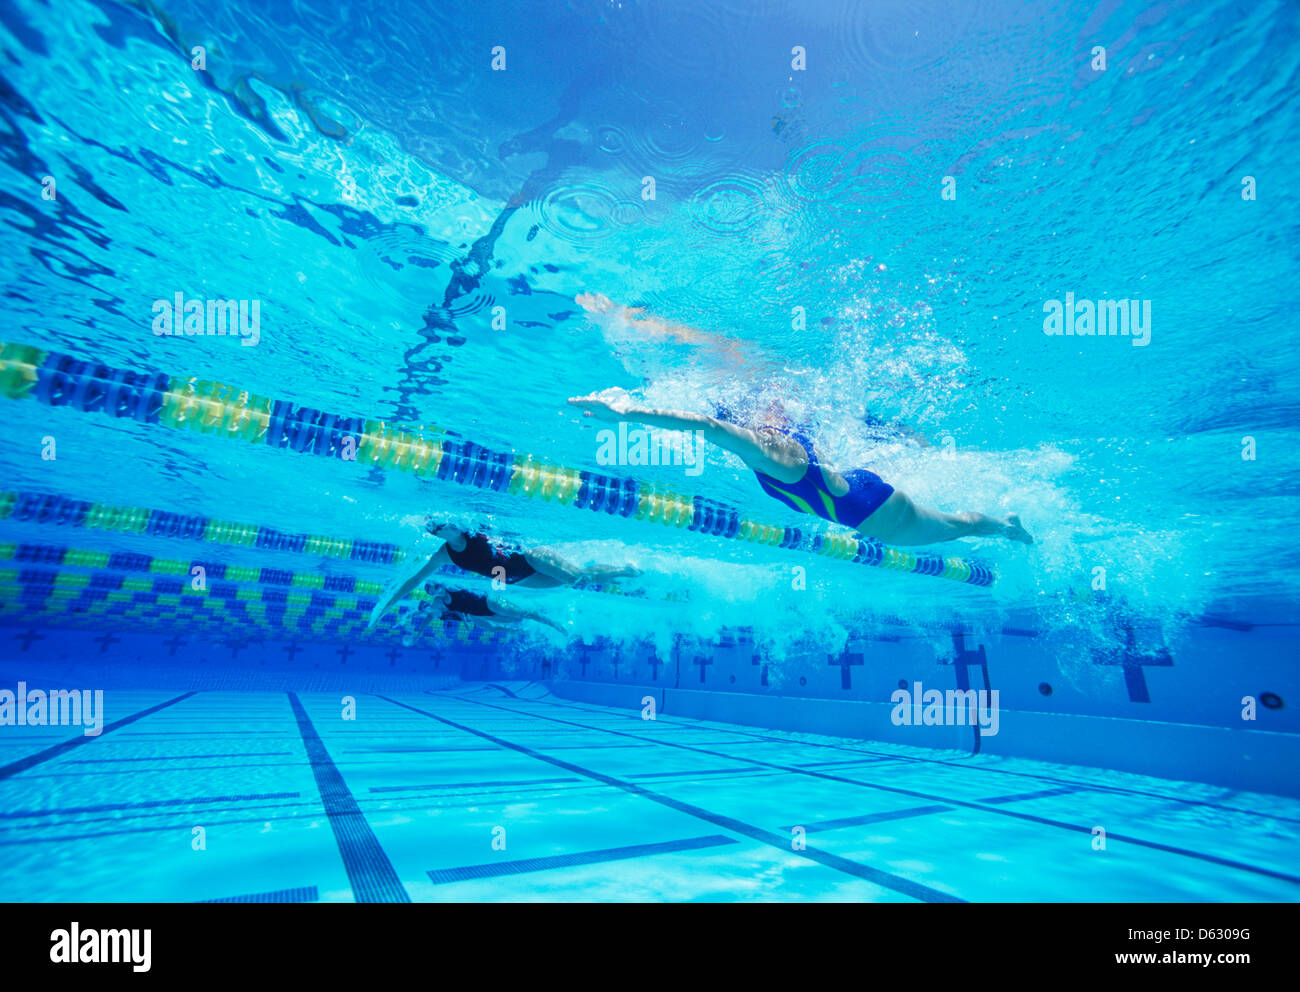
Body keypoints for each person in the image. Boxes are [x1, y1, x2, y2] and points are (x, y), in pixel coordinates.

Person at [567, 386, 1032, 546]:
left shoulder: (773, 454)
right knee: (956, 524)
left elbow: (707, 427)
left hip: (881, 517)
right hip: (861, 497)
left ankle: (1007, 526)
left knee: (961, 526)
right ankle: (1003, 525)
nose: (775, 411)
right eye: (766, 410)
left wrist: (629, 415)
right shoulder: (779, 449)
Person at [368, 517, 638, 628]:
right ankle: (618, 574)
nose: (440, 530)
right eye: (436, 530)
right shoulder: (444, 553)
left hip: (530, 557)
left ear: (452, 524)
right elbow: (414, 579)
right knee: (574, 581)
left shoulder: (476, 527)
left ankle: (629, 570)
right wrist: (385, 606)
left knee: (576, 576)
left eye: (441, 526)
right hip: (522, 578)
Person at [394, 581, 568, 646]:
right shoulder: (439, 604)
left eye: (436, 586)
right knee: (512, 620)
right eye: (432, 591)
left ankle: (556, 624)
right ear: (431, 596)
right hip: (481, 613)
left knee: (525, 613)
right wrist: (417, 631)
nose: (436, 590)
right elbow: (429, 615)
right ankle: (530, 628)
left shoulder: (451, 587)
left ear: (440, 584)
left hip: (487, 602)